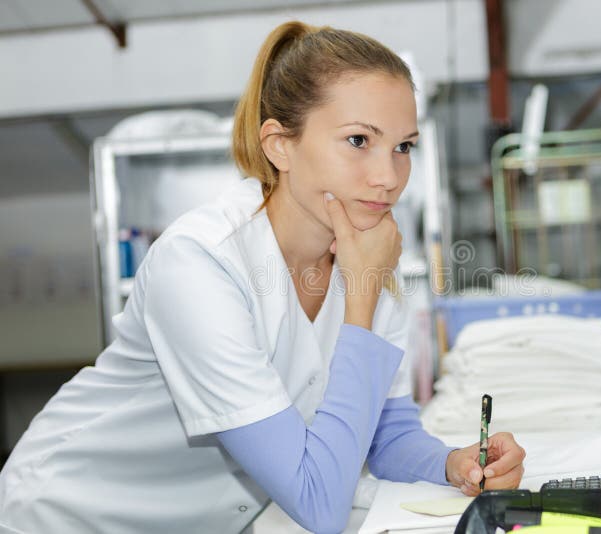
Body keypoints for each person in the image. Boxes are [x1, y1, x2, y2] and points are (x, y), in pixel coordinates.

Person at [0, 21, 525, 534]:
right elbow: (319, 504)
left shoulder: (365, 264)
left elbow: (385, 433)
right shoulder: (200, 264)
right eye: (359, 140)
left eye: (403, 146)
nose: (388, 177)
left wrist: (453, 463)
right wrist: (363, 293)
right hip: (66, 514)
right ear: (278, 145)